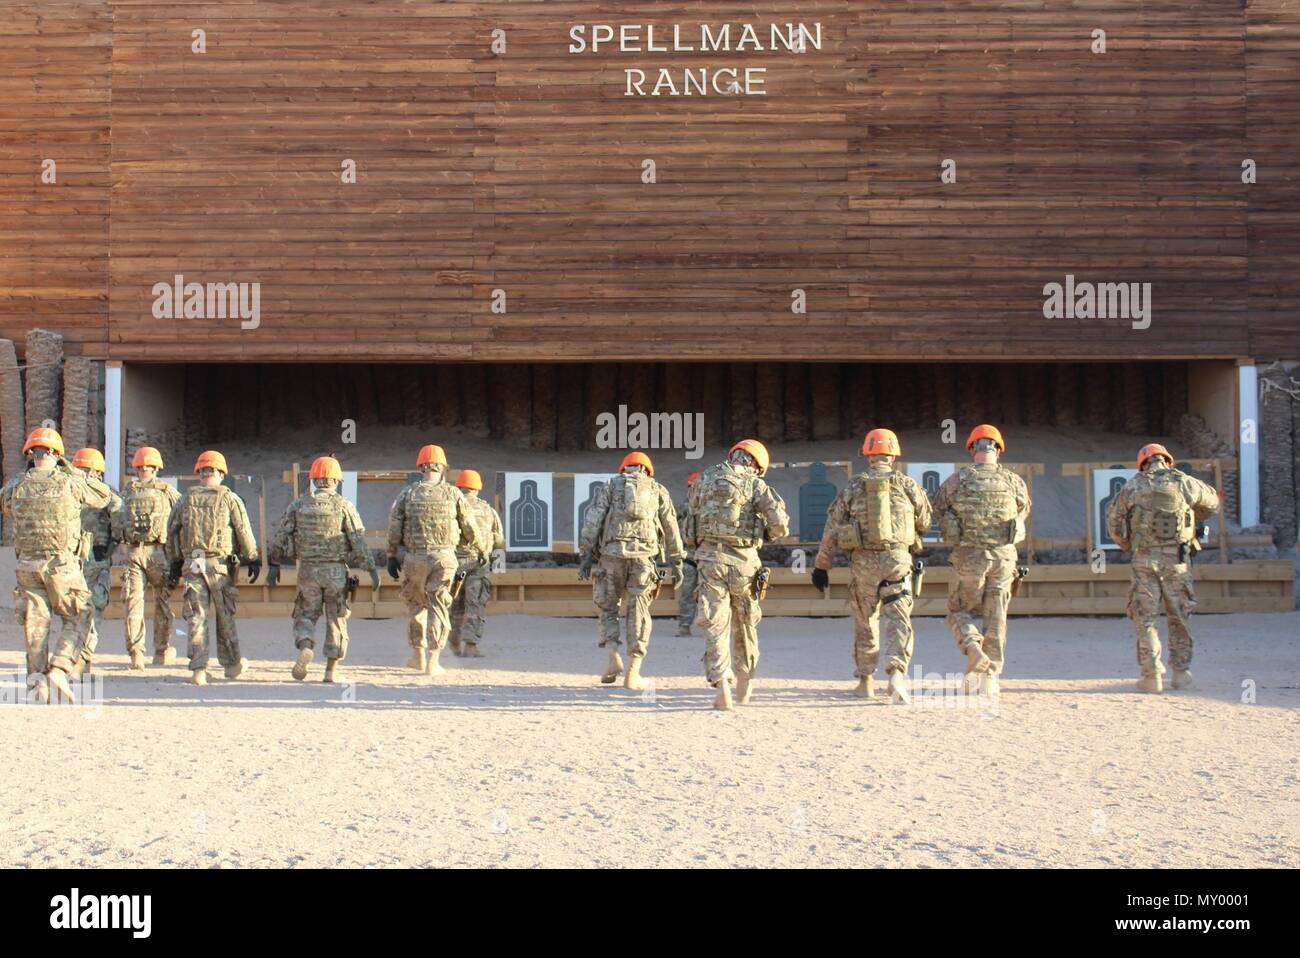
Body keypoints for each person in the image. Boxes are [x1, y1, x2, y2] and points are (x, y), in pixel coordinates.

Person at [813, 429, 931, 703]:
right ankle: (897, 674)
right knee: (899, 618)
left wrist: (822, 566)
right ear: (893, 455)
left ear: (867, 454)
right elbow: (925, 522)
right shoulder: (908, 485)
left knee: (866, 621)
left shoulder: (853, 487)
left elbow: (832, 529)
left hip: (863, 564)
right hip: (898, 561)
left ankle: (865, 680)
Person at [0, 427, 112, 702]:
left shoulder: (17, 485)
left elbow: (6, 505)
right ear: (58, 455)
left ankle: (37, 682)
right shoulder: (71, 481)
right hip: (61, 565)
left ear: (30, 454)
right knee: (81, 614)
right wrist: (71, 469)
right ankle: (60, 668)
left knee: (35, 625)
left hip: (27, 565)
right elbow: (103, 495)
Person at [1106, 443, 1220, 693]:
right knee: (1179, 616)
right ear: (1168, 461)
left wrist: (1130, 545)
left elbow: (1114, 524)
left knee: (1145, 618)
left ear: (1143, 463)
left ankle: (1152, 675)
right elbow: (1213, 503)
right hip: (1177, 560)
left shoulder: (1133, 486)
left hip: (1144, 561)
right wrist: (1191, 516)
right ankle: (1181, 673)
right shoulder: (1186, 483)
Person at [686, 439, 789, 710]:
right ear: (757, 464)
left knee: (715, 624)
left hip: (709, 560)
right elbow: (780, 523)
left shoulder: (705, 477)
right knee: (745, 624)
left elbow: (692, 513)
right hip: (744, 562)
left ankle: (722, 687)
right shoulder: (756, 483)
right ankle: (744, 685)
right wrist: (766, 533)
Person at [932, 425, 1031, 698]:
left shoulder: (958, 480)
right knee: (996, 617)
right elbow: (1023, 511)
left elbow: (937, 508)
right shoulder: (1013, 481)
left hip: (969, 557)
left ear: (972, 449)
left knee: (958, 610)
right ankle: (991, 678)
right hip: (1003, 558)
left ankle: (973, 649)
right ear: (998, 450)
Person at [577, 452, 684, 690]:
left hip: (611, 557)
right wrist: (677, 560)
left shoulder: (610, 486)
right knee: (639, 612)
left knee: (607, 607)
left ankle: (612, 656)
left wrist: (586, 553)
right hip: (644, 560)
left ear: (623, 469)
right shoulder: (658, 489)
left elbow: (593, 519)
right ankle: (634, 671)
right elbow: (670, 525)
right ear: (648, 470)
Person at [268, 456, 378, 683]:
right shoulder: (343, 505)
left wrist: (274, 564)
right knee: (336, 618)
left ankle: (305, 646)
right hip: (335, 571)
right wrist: (371, 569)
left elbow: (281, 535)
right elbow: (357, 540)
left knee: (305, 614)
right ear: (336, 480)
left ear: (314, 479)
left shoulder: (298, 504)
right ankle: (331, 670)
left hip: (308, 569)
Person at [387, 444, 483, 677]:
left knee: (416, 607)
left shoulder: (408, 493)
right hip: (444, 559)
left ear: (421, 467)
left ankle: (417, 656)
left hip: (414, 558)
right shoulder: (453, 493)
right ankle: (433, 661)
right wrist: (478, 548)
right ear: (443, 468)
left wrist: (391, 554)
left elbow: (394, 527)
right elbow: (469, 526)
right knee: (439, 606)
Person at [165, 450, 260, 686]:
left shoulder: (185, 499)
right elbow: (243, 530)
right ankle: (232, 664)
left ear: (199, 472)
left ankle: (199, 669)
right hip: (219, 566)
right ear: (221, 472)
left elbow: (171, 532)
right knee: (225, 615)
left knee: (196, 617)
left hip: (192, 565)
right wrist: (252, 558)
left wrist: (176, 561)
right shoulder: (229, 498)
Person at [115, 446, 182, 666]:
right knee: (162, 602)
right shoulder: (165, 490)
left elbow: (116, 520)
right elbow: (183, 515)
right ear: (156, 467)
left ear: (136, 467)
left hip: (133, 553)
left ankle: (136, 653)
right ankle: (161, 651)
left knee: (134, 604)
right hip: (159, 553)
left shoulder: (127, 491)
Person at [68, 447, 124, 672]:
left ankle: (72, 656)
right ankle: (83, 658)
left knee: (73, 610)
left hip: (70, 557)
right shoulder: (106, 492)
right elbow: (120, 518)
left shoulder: (67, 489)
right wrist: (114, 544)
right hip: (97, 555)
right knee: (94, 608)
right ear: (99, 470)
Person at [448, 469, 503, 658]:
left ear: (459, 487)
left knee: (453, 604)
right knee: (475, 605)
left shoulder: (451, 508)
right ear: (478, 489)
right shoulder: (489, 511)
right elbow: (498, 541)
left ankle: (452, 644)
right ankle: (471, 646)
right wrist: (497, 567)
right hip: (479, 565)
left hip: (454, 565)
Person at [675, 471, 701, 636]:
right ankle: (685, 625)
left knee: (688, 595)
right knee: (689, 595)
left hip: (695, 558)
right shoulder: (686, 508)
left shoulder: (683, 508)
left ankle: (685, 626)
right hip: (697, 558)